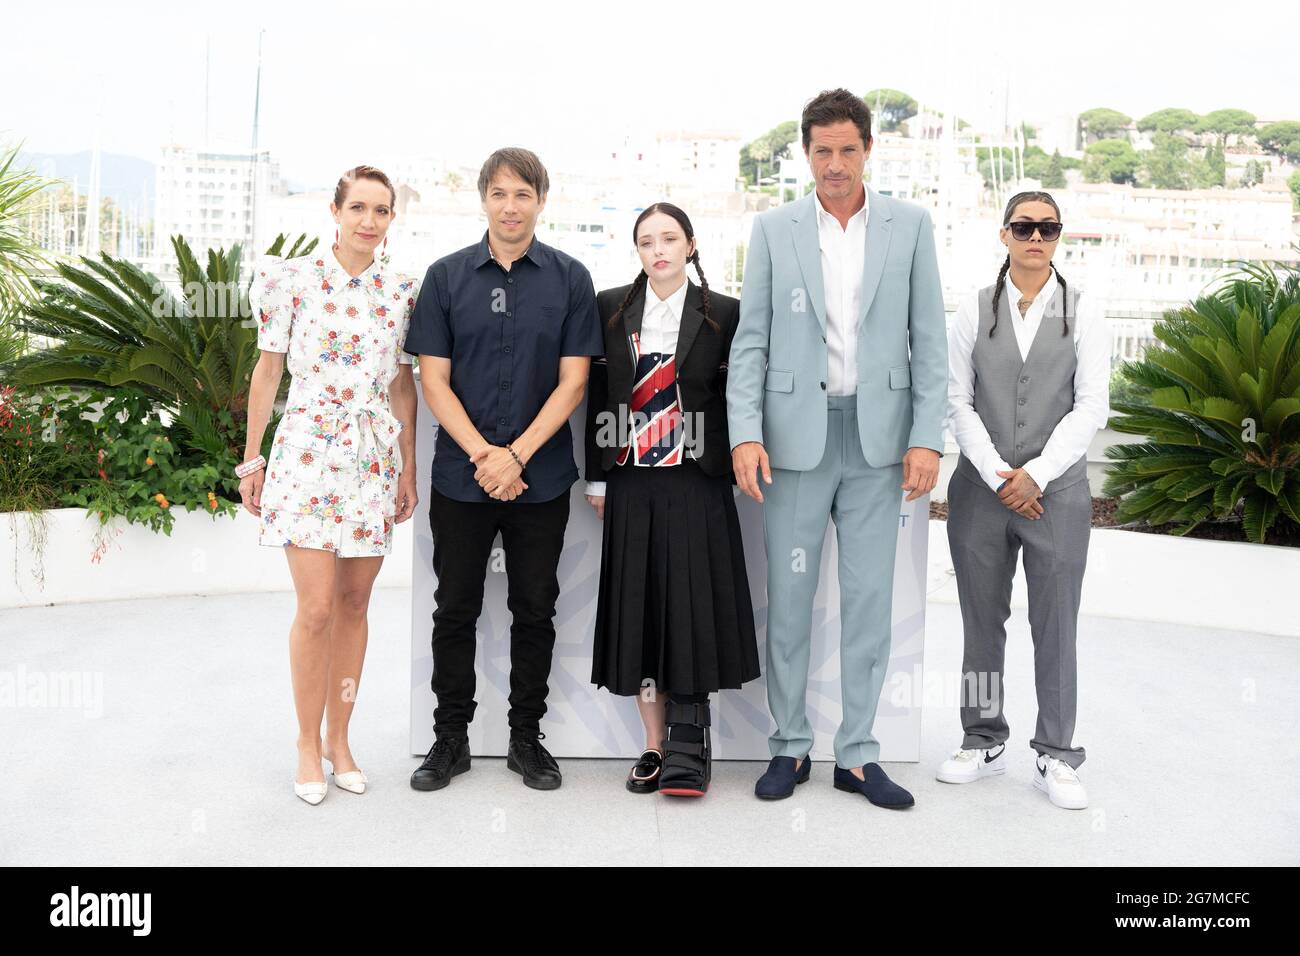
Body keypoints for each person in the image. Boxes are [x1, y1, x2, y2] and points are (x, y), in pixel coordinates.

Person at [728, 88, 947, 808]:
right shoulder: (774, 229)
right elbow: (751, 340)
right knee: (788, 601)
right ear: (806, 153)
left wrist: (925, 439)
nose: (835, 163)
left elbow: (930, 342)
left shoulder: (910, 226)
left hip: (879, 444)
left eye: (847, 148)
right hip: (794, 442)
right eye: (822, 150)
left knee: (869, 601)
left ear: (867, 150)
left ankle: (857, 754)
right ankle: (788, 747)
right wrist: (746, 432)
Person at [404, 147, 603, 793]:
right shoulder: (445, 277)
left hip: (538, 480)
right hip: (461, 480)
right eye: (499, 194)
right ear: (483, 200)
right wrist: (485, 455)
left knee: (534, 610)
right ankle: (449, 740)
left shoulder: (570, 280)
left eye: (523, 194)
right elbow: (432, 380)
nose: (511, 206)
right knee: (453, 610)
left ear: (541, 201)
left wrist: (515, 455)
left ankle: (526, 740)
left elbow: (573, 383)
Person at [240, 165, 420, 805]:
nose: (369, 221)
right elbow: (266, 374)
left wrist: (408, 467)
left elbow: (403, 385)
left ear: (391, 219)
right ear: (336, 211)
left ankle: (340, 738)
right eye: (359, 208)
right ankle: (304, 741)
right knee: (315, 609)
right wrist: (251, 459)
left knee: (354, 605)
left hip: (372, 462)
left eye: (381, 211)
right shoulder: (289, 280)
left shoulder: (402, 291)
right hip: (306, 455)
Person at [937, 190, 1110, 810]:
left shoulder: (1083, 312)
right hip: (981, 494)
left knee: (1055, 624)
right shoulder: (972, 310)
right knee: (982, 621)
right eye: (1024, 226)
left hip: (1056, 496)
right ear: (1004, 234)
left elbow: (1093, 404)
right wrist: (996, 473)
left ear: (1059, 237)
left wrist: (1034, 474)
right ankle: (982, 737)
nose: (1036, 237)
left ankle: (1057, 752)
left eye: (1048, 228)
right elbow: (956, 399)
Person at [583, 203, 760, 797]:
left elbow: (743, 392)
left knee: (693, 604)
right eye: (645, 241)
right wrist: (598, 477)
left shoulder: (725, 314)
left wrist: (741, 452)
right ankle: (655, 746)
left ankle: (692, 736)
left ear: (690, 244)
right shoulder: (610, 307)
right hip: (630, 477)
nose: (657, 249)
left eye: (668, 238)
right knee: (641, 608)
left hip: (698, 476)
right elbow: (598, 395)